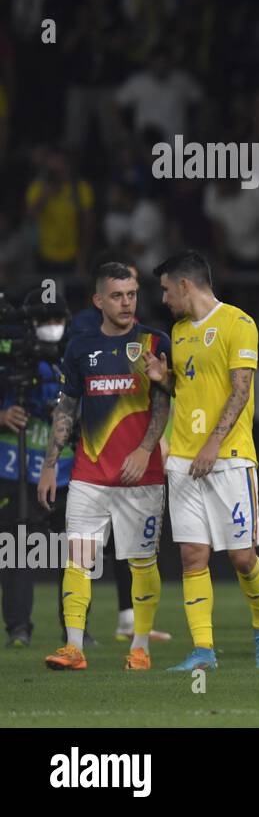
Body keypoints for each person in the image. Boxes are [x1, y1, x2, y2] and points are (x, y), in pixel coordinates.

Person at [143, 251, 259, 670]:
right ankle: (203, 650)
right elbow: (188, 388)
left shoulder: (239, 324)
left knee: (243, 558)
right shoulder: (179, 332)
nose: (163, 299)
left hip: (229, 458)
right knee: (192, 557)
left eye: (166, 289)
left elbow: (240, 391)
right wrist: (163, 380)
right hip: (184, 459)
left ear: (185, 285)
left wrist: (214, 443)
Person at [40, 263, 170, 671]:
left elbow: (164, 404)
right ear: (99, 300)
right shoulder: (80, 347)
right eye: (117, 295)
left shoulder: (155, 340)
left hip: (141, 477)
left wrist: (145, 449)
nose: (127, 302)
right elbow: (66, 407)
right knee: (78, 559)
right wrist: (49, 465)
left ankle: (140, 647)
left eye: (131, 294)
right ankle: (74, 647)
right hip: (89, 474)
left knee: (142, 562)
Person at [0, 295, 72, 648]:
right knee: (15, 549)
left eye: (56, 318)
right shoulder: (10, 357)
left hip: (65, 470)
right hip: (14, 466)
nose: (51, 326)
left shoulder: (74, 356)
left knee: (73, 552)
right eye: (45, 318)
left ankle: (76, 631)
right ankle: (18, 628)